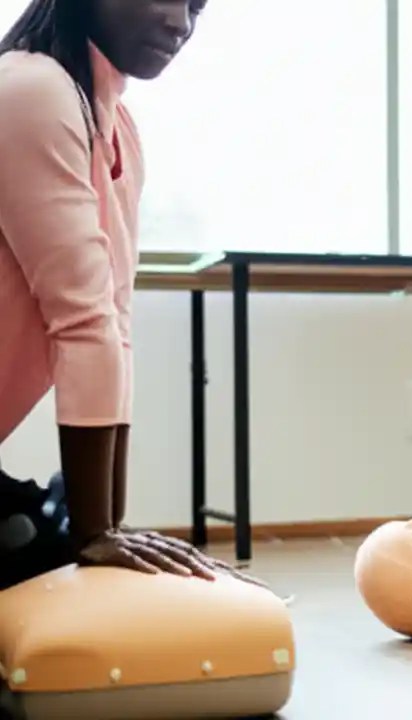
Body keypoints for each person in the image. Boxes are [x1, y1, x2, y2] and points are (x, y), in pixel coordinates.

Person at [0, 0, 255, 592]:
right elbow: (83, 321)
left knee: (50, 539)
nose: (181, 23)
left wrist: (107, 527)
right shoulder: (30, 89)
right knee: (45, 546)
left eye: (197, 6)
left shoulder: (117, 129)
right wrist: (94, 534)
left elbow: (112, 323)